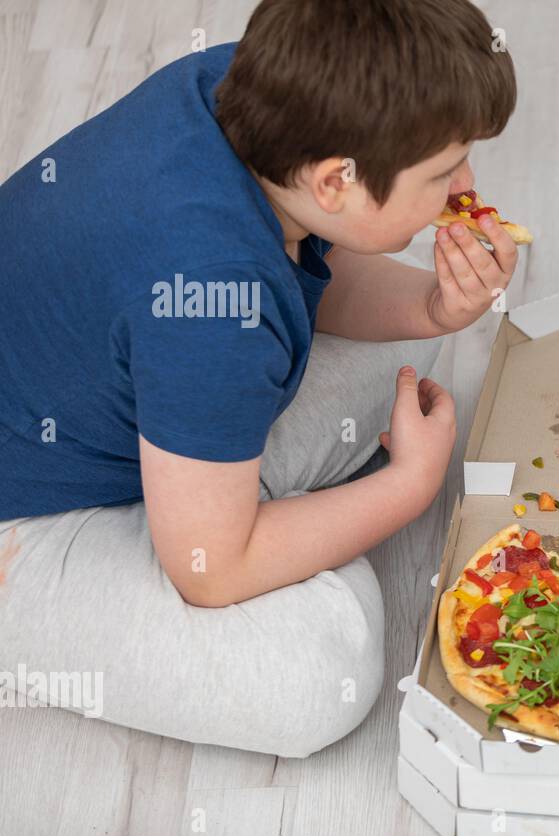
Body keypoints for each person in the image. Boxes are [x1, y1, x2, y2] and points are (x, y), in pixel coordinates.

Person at [0, 0, 518, 757]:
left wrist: (436, 305)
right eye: (444, 170)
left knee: (400, 353)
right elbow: (213, 573)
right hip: (25, 524)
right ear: (336, 179)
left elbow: (294, 261)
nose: (466, 182)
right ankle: (211, 510)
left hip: (110, 388)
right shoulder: (214, 299)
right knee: (315, 675)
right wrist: (406, 487)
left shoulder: (240, 87)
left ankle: (215, 490)